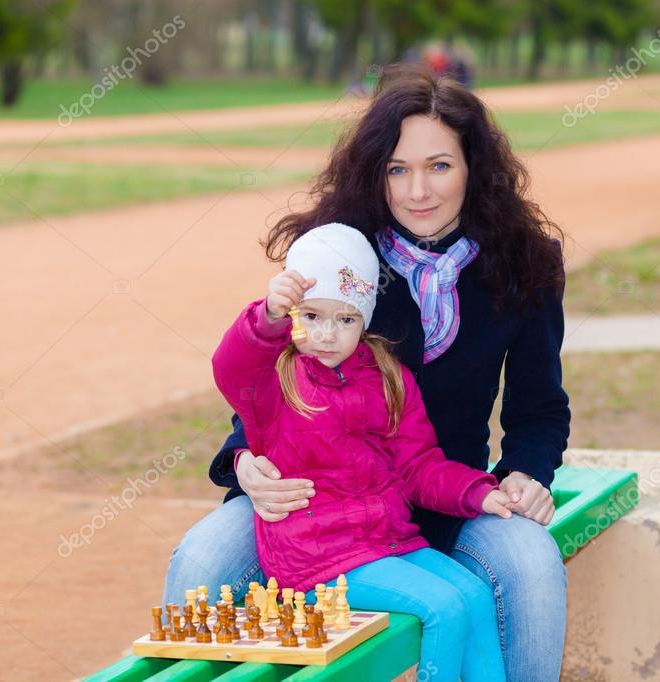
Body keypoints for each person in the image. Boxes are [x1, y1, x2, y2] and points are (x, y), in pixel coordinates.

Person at [166, 64, 570, 681]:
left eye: (440, 165)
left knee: (533, 562)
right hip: (311, 502)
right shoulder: (339, 253)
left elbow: (539, 407)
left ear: (473, 169)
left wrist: (523, 476)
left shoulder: (523, 262)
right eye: (397, 170)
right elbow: (267, 376)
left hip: (447, 493)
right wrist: (245, 462)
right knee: (201, 561)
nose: (417, 192)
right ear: (374, 174)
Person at [212, 223, 508, 680]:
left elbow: (418, 466)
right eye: (311, 316)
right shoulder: (272, 383)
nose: (327, 334)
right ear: (292, 315)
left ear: (364, 320)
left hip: (387, 543)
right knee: (445, 608)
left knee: (472, 595)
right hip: (316, 561)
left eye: (346, 319)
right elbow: (231, 366)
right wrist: (267, 314)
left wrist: (478, 492)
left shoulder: (387, 376)